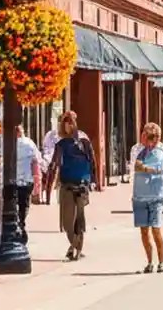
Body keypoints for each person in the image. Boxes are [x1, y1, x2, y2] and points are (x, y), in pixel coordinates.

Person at [53, 112, 95, 261]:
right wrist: (51, 180)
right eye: (66, 122)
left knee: (80, 218)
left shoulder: (84, 141)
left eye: (71, 122)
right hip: (66, 184)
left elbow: (92, 160)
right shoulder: (61, 144)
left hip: (82, 183)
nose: (69, 125)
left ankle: (78, 248)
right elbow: (55, 163)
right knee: (67, 221)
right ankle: (74, 244)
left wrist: (93, 180)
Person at [0, 123, 41, 243]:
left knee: (9, 204)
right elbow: (36, 163)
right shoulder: (29, 143)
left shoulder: (2, 142)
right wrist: (37, 181)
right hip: (26, 181)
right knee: (23, 205)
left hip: (9, 181)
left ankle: (13, 226)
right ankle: (21, 223)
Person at [132, 122, 163, 273]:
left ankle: (161, 262)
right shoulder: (137, 150)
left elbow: (161, 170)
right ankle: (149, 262)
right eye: (147, 136)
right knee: (143, 231)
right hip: (139, 196)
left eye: (153, 137)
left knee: (156, 229)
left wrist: (146, 168)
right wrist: (143, 166)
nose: (151, 140)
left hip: (155, 196)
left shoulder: (161, 152)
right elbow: (134, 165)